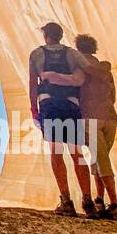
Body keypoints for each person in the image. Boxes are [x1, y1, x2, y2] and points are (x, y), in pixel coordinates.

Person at [42, 34, 117, 220]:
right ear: (94, 49)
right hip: (110, 118)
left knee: (100, 161)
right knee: (100, 160)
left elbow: (73, 86)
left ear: (78, 49)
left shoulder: (77, 67)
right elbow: (113, 96)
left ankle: (115, 206)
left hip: (89, 118)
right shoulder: (105, 70)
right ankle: (100, 201)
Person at [28, 22, 95, 217]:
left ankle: (66, 201)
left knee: (56, 152)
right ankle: (88, 201)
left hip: (50, 104)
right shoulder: (72, 54)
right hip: (72, 104)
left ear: (45, 36)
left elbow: (33, 84)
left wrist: (34, 109)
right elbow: (88, 73)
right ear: (60, 35)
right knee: (77, 153)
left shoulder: (37, 54)